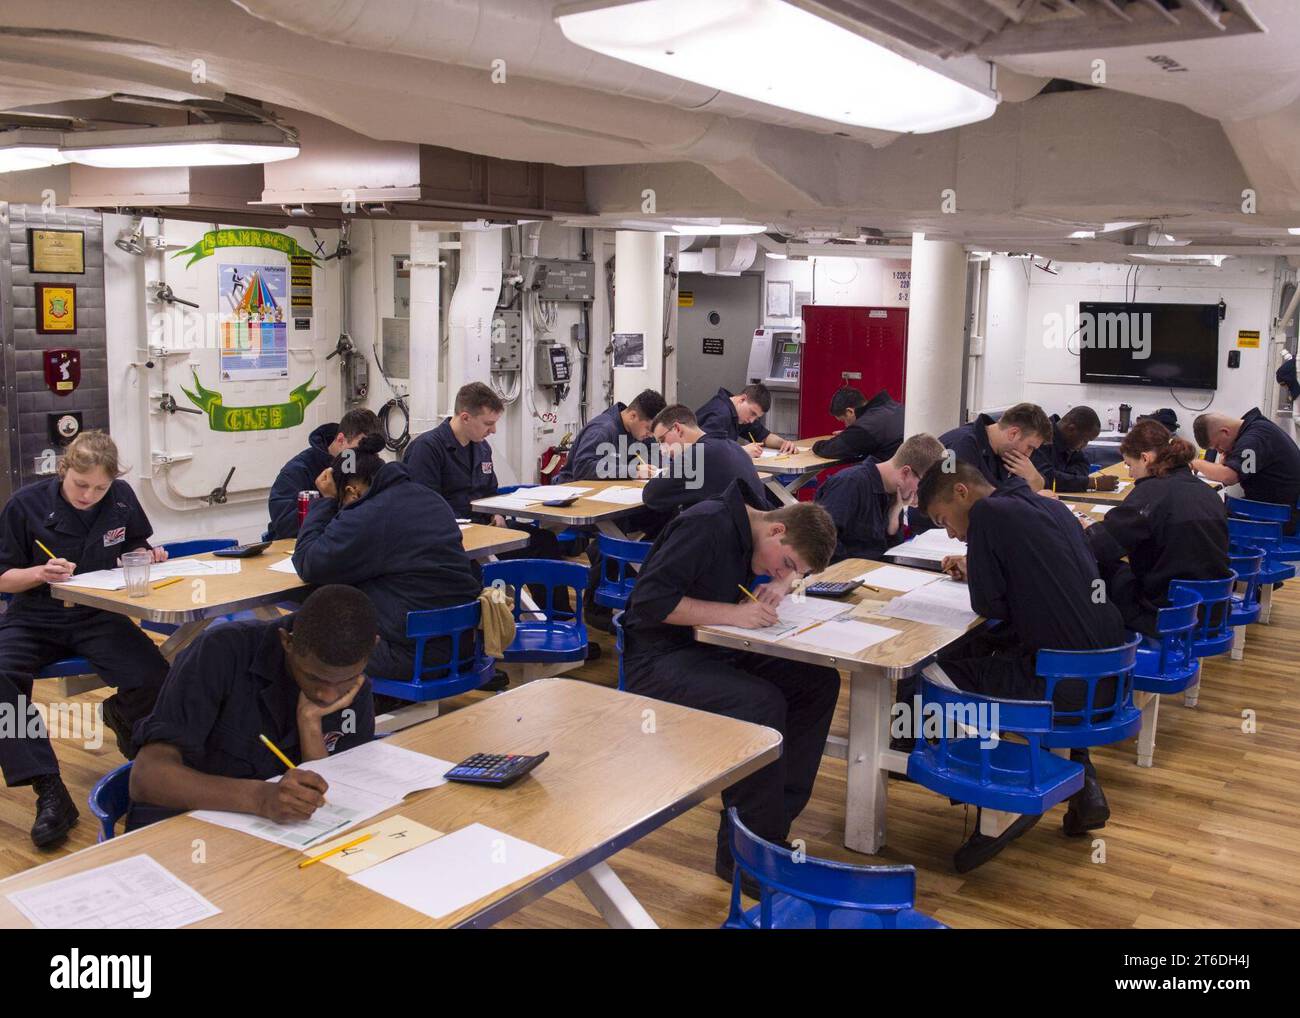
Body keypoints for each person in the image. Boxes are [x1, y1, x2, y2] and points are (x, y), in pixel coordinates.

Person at [619, 480, 839, 892]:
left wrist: (781, 583)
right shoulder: (705, 526)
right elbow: (650, 603)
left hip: (713, 646)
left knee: (818, 682)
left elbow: (794, 557)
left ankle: (771, 828)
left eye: (796, 572)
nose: (784, 573)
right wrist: (733, 615)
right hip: (658, 657)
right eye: (788, 563)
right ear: (776, 531)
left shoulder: (766, 530)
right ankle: (743, 856)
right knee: (761, 705)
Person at [908, 461, 1127, 870]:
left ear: (962, 492)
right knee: (1001, 658)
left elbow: (989, 605)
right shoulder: (1049, 506)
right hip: (1107, 673)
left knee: (935, 674)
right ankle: (1083, 781)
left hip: (1058, 684)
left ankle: (997, 805)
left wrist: (979, 569)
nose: (952, 533)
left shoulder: (988, 514)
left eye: (944, 520)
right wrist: (982, 565)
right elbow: (1045, 576)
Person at [0, 431, 170, 846]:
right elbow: (4, 577)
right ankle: (49, 788)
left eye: (100, 487)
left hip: (97, 612)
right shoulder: (26, 505)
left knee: (154, 674)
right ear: (65, 470)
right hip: (35, 615)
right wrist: (39, 573)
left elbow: (136, 543)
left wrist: (149, 554)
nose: (89, 495)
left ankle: (126, 720)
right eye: (81, 484)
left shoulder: (123, 498)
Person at [128, 585, 378, 830]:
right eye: (314, 677)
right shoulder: (221, 653)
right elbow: (148, 777)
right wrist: (260, 798)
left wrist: (310, 726)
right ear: (286, 642)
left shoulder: (355, 685)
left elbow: (337, 796)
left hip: (271, 835)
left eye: (344, 681)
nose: (328, 695)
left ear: (371, 650)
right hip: (181, 825)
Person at [293, 435, 482, 679]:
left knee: (301, 643)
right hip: (461, 645)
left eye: (342, 503)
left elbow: (309, 563)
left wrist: (327, 501)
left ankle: (335, 714)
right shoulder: (429, 497)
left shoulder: (370, 513)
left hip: (415, 655)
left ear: (351, 493)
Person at [1083, 421, 1230, 636]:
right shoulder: (1207, 491)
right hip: (1212, 611)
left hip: (1165, 614)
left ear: (1145, 458)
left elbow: (1100, 548)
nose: (1131, 474)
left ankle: (1099, 652)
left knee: (1098, 571)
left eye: (1129, 465)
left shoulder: (1150, 493)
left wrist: (1087, 529)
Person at [403, 381, 565, 556]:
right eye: (488, 423)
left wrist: (495, 515)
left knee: (544, 542)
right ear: (465, 418)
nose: (493, 430)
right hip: (447, 535)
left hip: (484, 526)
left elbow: (489, 492)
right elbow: (424, 507)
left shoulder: (482, 448)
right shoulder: (427, 449)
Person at [815, 434, 945, 563]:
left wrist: (895, 512)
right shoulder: (850, 484)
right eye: (925, 485)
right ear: (905, 473)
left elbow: (889, 549)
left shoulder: (895, 493)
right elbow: (820, 541)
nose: (927, 494)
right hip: (841, 575)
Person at [266, 408, 381, 539]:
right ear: (341, 440)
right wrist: (329, 500)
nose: (366, 458)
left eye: (372, 453)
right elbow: (285, 525)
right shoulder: (299, 470)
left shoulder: (368, 468)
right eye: (359, 450)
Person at [637, 404, 767, 513]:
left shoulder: (697, 455)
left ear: (677, 429)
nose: (662, 449)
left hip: (728, 538)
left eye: (662, 440)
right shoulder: (735, 447)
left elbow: (651, 495)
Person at [1193, 408, 1300, 534]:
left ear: (1225, 432)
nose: (1220, 451)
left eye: (1217, 446)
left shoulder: (1254, 439)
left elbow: (1228, 477)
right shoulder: (1254, 426)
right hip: (1271, 508)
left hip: (1277, 518)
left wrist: (1195, 462)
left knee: (1202, 521)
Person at [553, 390, 666, 483]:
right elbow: (583, 468)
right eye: (648, 429)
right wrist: (632, 470)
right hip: (574, 494)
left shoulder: (639, 432)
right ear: (633, 416)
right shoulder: (602, 430)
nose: (651, 435)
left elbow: (655, 459)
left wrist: (647, 469)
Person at [938, 402, 1053, 489]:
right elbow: (957, 501)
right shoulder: (962, 445)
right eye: (1030, 447)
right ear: (1013, 433)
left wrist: (1034, 478)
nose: (1029, 454)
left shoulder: (1004, 451)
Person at [695, 384, 799, 458]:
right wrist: (742, 451)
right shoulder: (720, 414)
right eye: (752, 413)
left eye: (756, 417)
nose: (751, 420)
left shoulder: (739, 414)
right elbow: (706, 451)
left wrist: (783, 443)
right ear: (742, 399)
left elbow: (763, 435)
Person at [1031, 406, 1119, 493]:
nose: (1085, 446)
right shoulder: (1040, 437)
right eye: (1085, 440)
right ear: (1071, 429)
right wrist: (1093, 483)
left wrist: (1064, 479)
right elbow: (1046, 478)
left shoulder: (1070, 442)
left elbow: (1083, 465)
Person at [810, 386, 904, 462]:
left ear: (849, 411)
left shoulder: (865, 428)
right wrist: (849, 433)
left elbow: (830, 450)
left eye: (844, 420)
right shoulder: (891, 407)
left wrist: (815, 445)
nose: (846, 426)